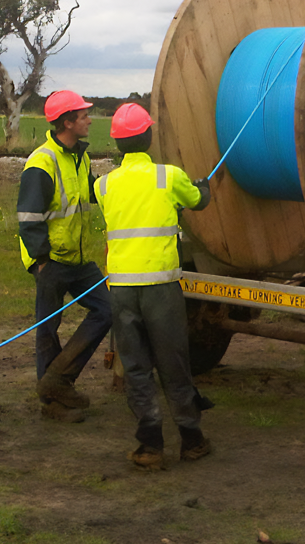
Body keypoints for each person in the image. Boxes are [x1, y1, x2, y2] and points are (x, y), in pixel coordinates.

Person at [95, 102, 212, 470]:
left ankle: (149, 447)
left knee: (136, 367)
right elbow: (198, 200)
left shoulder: (104, 185)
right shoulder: (169, 176)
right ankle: (192, 441)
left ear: (116, 143)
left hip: (122, 290)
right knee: (174, 364)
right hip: (161, 288)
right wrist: (203, 187)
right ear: (149, 137)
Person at [17, 90, 113, 423]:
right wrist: (42, 260)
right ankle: (52, 404)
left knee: (107, 309)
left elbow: (89, 192)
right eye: (84, 115)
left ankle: (57, 381)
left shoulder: (80, 157)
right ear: (67, 122)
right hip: (52, 260)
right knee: (48, 328)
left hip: (80, 259)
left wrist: (121, 188)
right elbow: (28, 216)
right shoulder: (41, 162)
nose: (90, 120)